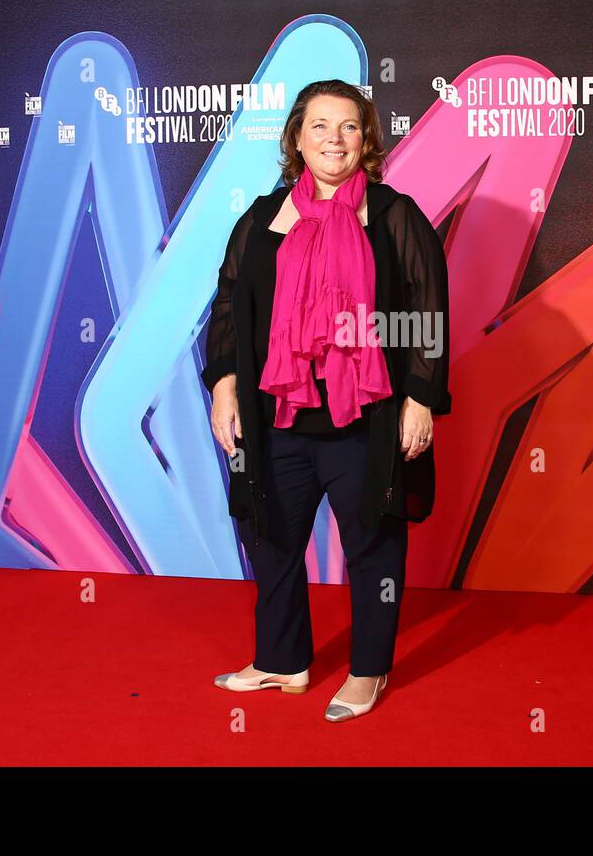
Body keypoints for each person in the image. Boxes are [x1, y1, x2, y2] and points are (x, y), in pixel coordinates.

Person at [201, 79, 451, 721]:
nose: (333, 139)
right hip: (277, 415)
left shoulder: (394, 216)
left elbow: (427, 311)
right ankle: (282, 660)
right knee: (272, 536)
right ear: (296, 138)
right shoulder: (261, 218)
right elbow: (229, 302)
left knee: (373, 544)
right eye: (319, 126)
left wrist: (421, 399)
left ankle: (369, 670)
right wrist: (225, 383)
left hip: (365, 417)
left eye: (348, 126)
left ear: (366, 139)